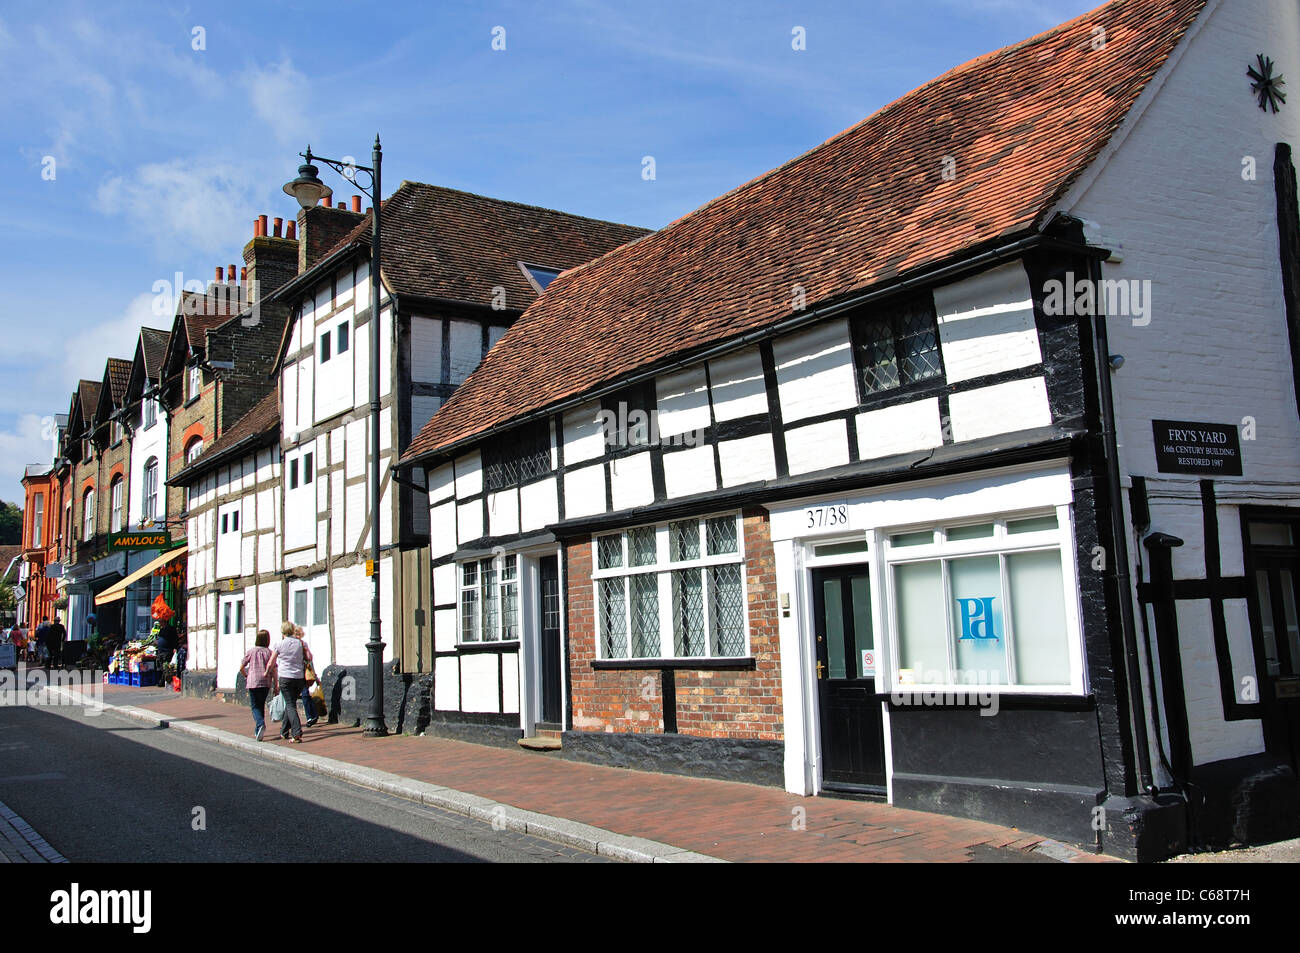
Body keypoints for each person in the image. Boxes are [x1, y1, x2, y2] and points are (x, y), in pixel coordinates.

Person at [267, 621, 313, 743]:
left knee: (291, 705)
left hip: (285, 677)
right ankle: (284, 731)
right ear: (292, 630)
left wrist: (267, 672)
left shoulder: (279, 644)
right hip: (298, 678)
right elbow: (309, 658)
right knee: (290, 703)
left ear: (282, 631)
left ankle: (297, 732)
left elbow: (272, 661)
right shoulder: (300, 643)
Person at [239, 630, 274, 742]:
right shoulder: (269, 652)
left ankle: (260, 724)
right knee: (261, 705)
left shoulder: (251, 651)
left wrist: (246, 675)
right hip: (266, 682)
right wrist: (276, 684)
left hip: (253, 681)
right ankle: (259, 729)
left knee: (255, 706)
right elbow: (274, 668)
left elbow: (241, 667)